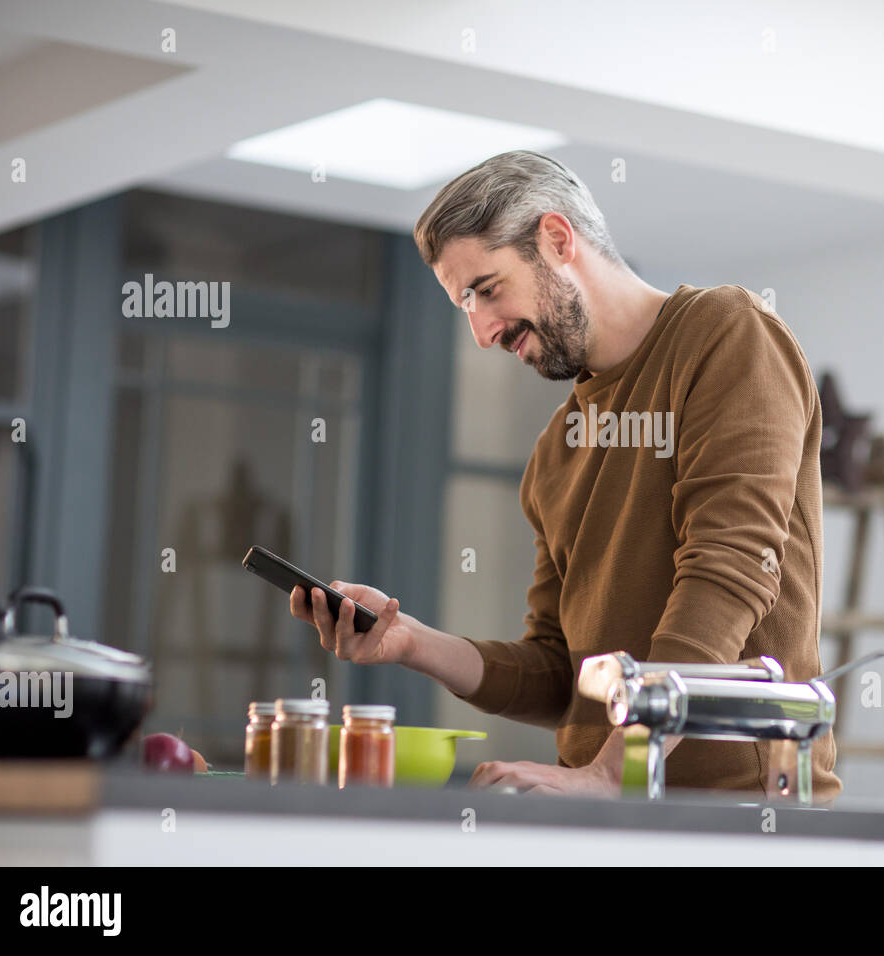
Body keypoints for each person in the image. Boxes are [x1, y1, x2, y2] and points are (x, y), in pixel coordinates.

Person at [291, 150, 841, 801]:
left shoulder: (726, 335)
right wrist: (410, 642)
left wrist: (612, 772)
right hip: (605, 819)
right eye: (463, 305)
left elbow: (730, 571)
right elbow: (561, 675)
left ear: (557, 240)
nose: (482, 332)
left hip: (738, 817)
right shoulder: (557, 451)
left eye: (486, 291)